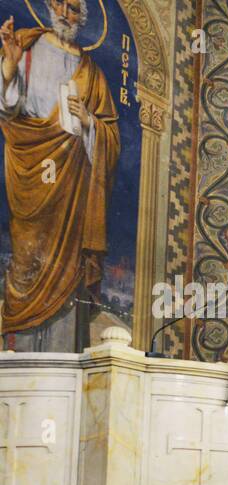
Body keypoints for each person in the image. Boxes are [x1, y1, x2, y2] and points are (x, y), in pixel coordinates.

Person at [0, 0, 120, 351]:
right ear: (50, 6)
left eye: (75, 9)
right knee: (26, 257)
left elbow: (111, 138)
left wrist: (88, 122)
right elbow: (8, 109)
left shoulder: (92, 71)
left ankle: (61, 359)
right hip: (29, 166)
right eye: (63, 5)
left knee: (68, 270)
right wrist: (8, 67)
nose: (68, 14)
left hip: (73, 186)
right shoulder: (24, 44)